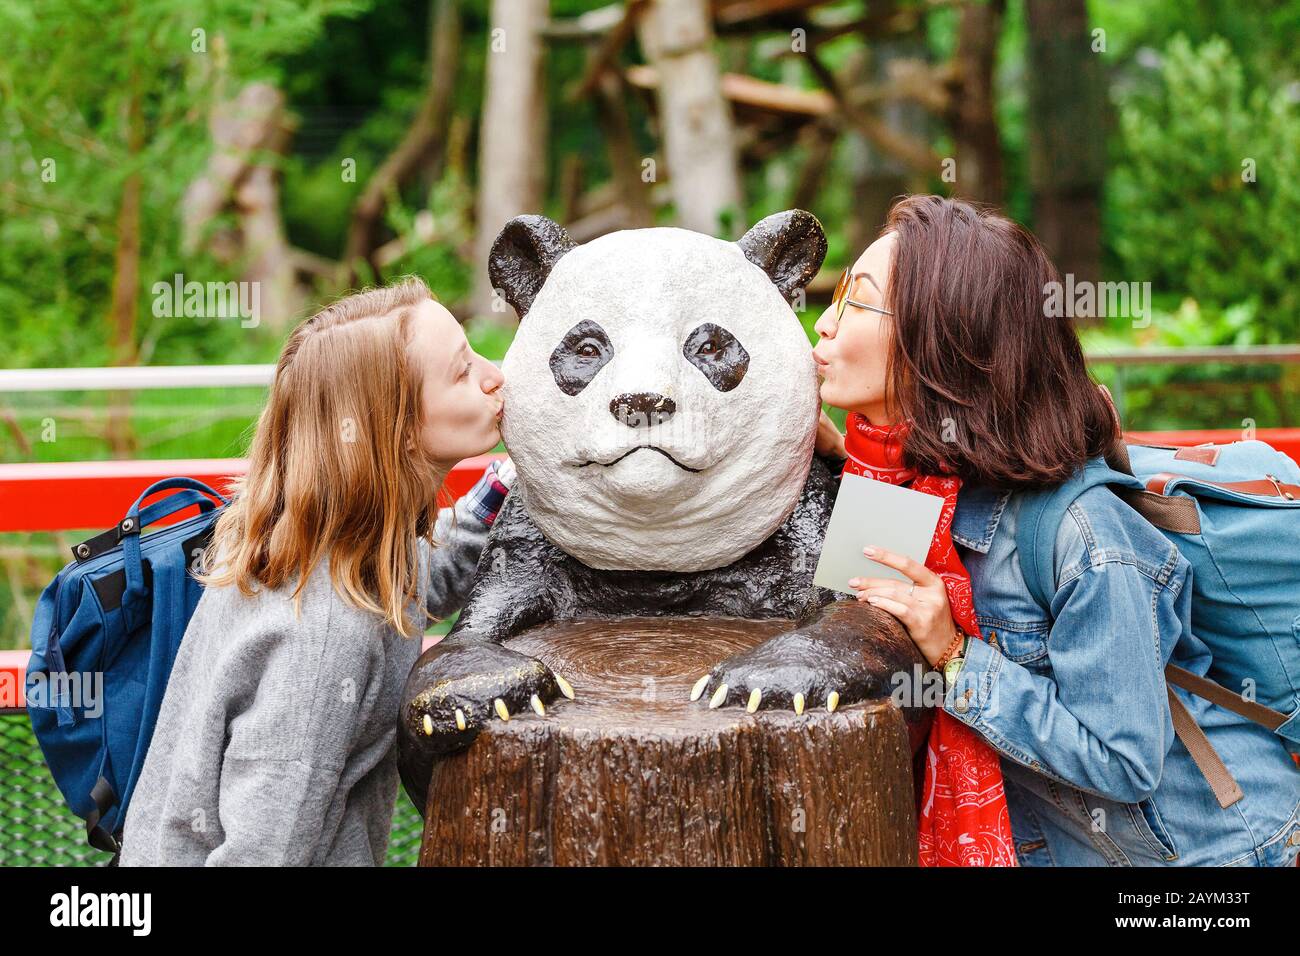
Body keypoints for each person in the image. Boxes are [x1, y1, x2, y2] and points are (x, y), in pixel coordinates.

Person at [814, 194, 1300, 866]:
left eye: (856, 301)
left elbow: (1124, 764)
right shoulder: (917, 481)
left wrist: (957, 659)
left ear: (944, 337)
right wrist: (829, 463)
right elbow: (858, 582)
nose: (824, 321)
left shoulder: (1085, 537)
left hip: (1205, 853)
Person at [120, 277, 515, 866]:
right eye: (462, 372)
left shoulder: (329, 552)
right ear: (396, 430)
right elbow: (263, 856)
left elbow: (414, 584)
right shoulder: (326, 632)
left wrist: (500, 491)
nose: (495, 376)